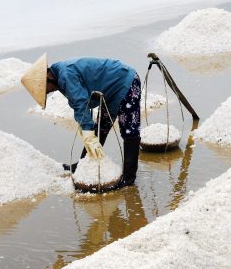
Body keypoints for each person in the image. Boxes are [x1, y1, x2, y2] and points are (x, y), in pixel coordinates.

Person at [21, 54, 141, 189]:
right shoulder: (59, 74)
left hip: (126, 81)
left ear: (48, 78)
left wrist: (87, 131)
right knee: (101, 127)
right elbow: (79, 101)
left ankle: (129, 178)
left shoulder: (65, 75)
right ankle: (84, 165)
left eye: (46, 90)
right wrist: (86, 129)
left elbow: (80, 102)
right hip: (110, 88)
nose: (48, 93)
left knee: (130, 130)